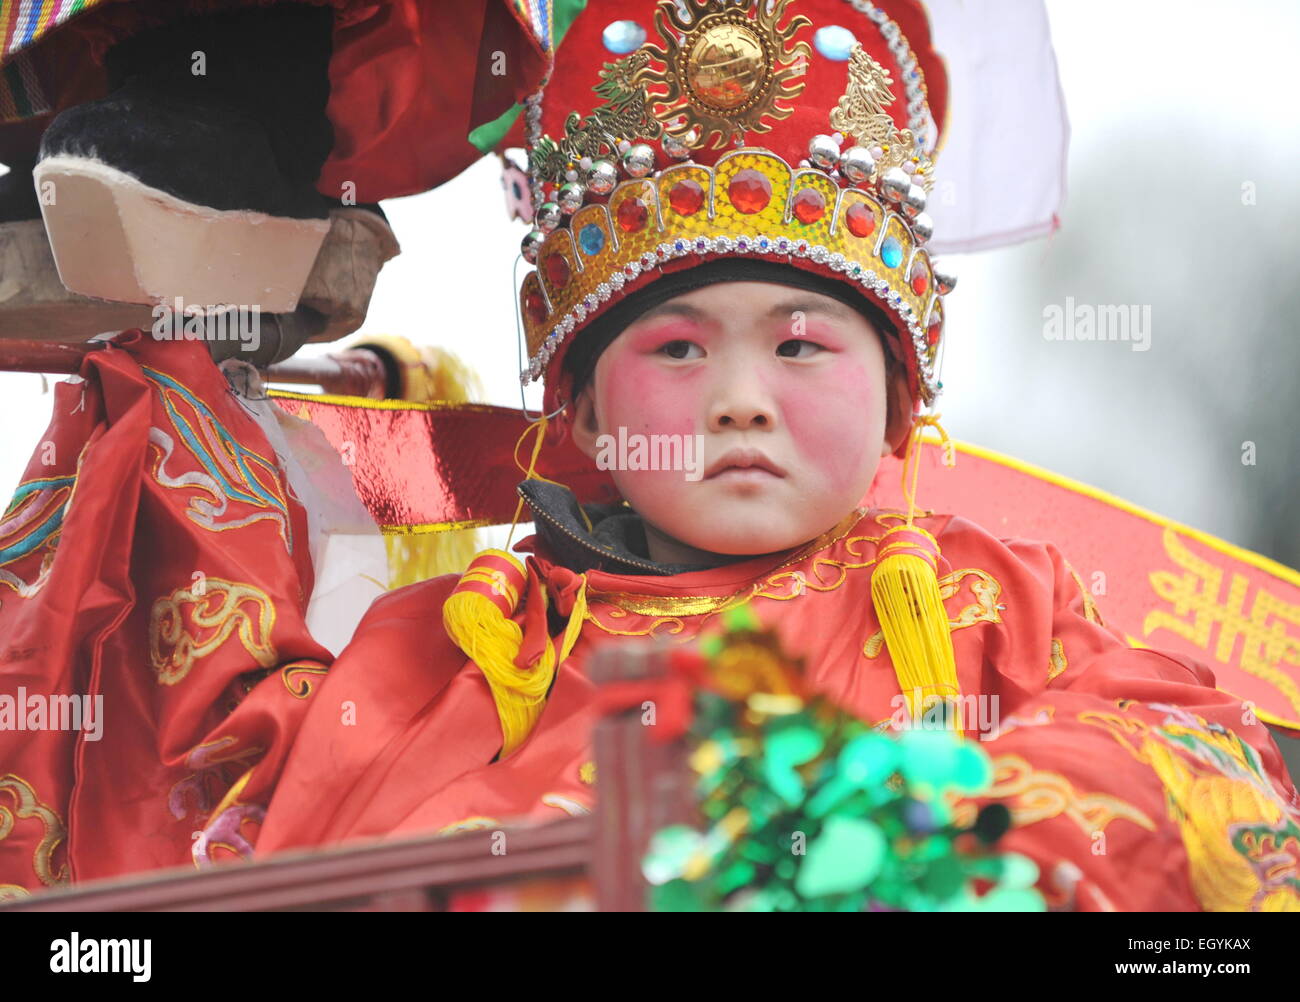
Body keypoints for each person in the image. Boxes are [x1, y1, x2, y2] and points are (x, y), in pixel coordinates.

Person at [1, 0, 1297, 912]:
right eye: (677, 350)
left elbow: (1198, 757)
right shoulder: (472, 642)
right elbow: (254, 808)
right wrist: (186, 389)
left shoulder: (992, 604)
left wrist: (903, 844)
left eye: (801, 348)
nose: (741, 398)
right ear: (577, 391)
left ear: (904, 387)